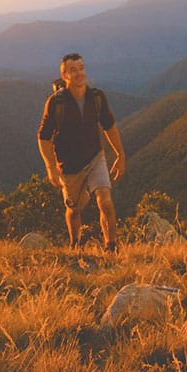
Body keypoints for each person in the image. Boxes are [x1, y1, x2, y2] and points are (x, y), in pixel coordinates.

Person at [37, 52, 127, 252]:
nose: (79, 73)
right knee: (74, 209)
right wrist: (51, 167)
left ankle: (111, 247)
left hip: (95, 158)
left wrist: (120, 155)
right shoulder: (56, 103)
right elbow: (43, 137)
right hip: (69, 165)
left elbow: (109, 126)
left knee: (105, 202)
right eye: (73, 70)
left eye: (81, 68)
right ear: (65, 75)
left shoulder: (96, 98)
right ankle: (75, 245)